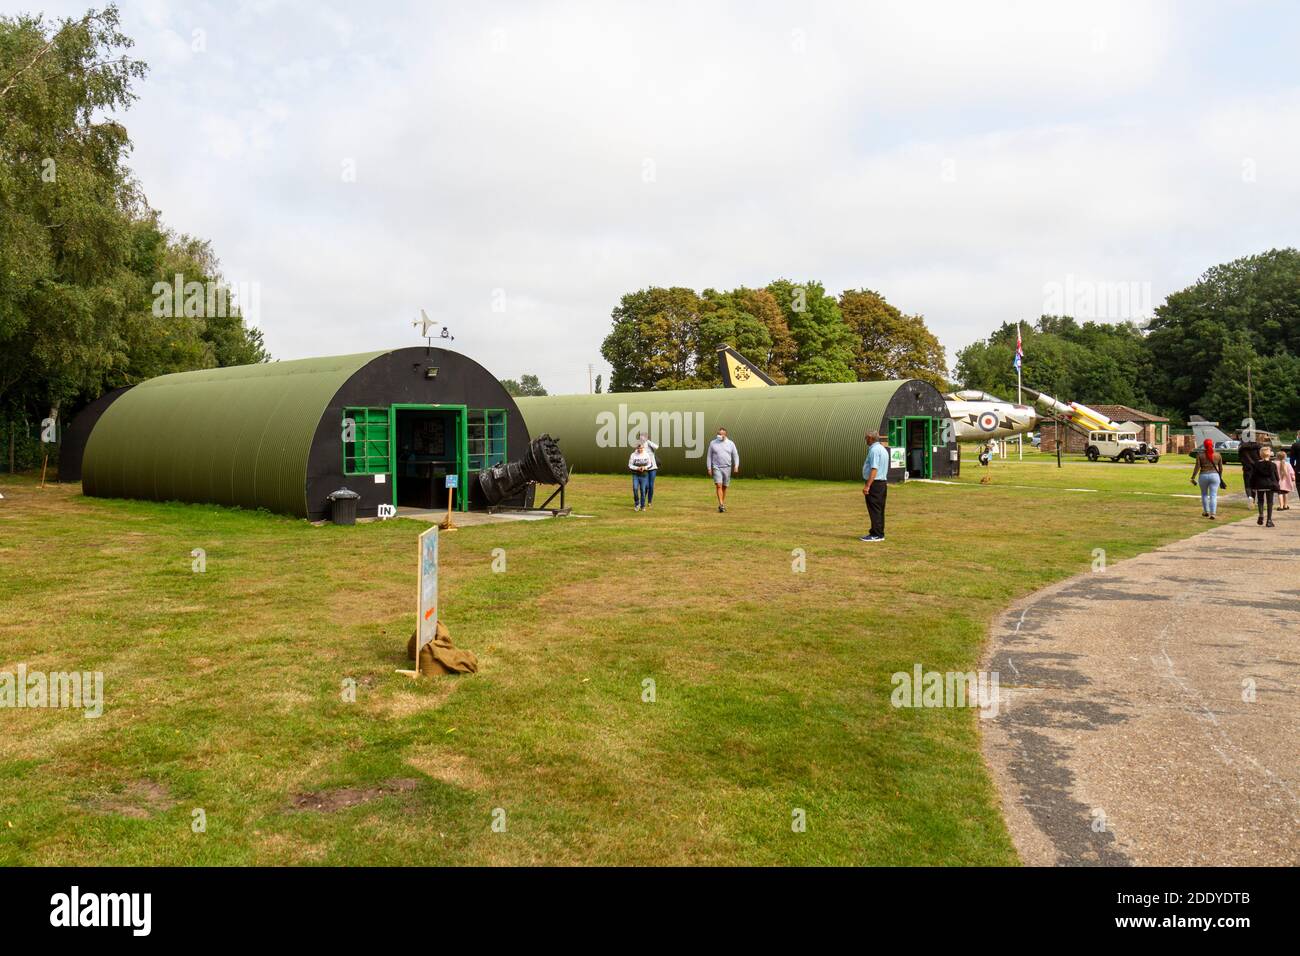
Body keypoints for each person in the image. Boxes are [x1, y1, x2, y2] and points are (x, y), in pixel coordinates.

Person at [860, 430, 890, 542]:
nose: (865, 440)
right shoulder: (882, 449)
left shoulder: (874, 450)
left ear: (871, 438)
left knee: (874, 509)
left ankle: (876, 534)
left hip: (875, 483)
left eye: (866, 438)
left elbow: (874, 469)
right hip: (882, 483)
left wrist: (867, 485)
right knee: (879, 509)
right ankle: (878, 532)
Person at [1190, 437, 1225, 519]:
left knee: (1204, 494)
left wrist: (1193, 477)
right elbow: (1221, 468)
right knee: (1213, 495)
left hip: (1203, 475)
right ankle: (1213, 513)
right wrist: (1220, 477)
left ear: (1204, 446)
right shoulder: (1217, 454)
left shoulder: (1200, 455)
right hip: (1215, 475)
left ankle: (1206, 511)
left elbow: (1197, 467)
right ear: (1212, 445)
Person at [705, 427, 739, 512]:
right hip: (716, 467)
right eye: (718, 434)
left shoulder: (730, 444)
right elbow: (709, 456)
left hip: (727, 467)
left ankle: (721, 505)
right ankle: (721, 504)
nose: (719, 435)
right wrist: (709, 468)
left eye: (721, 434)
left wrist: (736, 466)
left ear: (725, 435)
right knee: (718, 485)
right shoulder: (713, 443)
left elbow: (735, 455)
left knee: (724, 486)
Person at [1252, 445, 1279, 527]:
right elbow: (1276, 476)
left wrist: (1253, 486)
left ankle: (1261, 514)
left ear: (1260, 454)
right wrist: (1276, 483)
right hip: (1270, 485)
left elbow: (1253, 476)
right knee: (1270, 502)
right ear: (1269, 454)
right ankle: (1269, 520)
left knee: (1260, 501)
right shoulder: (1273, 465)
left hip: (1260, 484)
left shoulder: (1256, 464)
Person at [635, 431, 659, 508]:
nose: (642, 437)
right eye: (641, 436)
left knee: (651, 486)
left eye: (644, 436)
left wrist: (648, 441)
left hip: (653, 467)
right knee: (646, 486)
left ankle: (649, 502)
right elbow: (636, 454)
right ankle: (643, 501)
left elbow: (657, 447)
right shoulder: (639, 445)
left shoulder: (649, 443)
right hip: (644, 468)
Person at [628, 441, 653, 512]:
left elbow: (650, 464)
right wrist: (637, 468)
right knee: (635, 489)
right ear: (636, 448)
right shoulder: (633, 455)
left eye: (641, 448)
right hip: (635, 475)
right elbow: (630, 465)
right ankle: (637, 504)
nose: (640, 450)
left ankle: (643, 506)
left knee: (643, 490)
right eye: (638, 448)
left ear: (643, 448)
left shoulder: (646, 454)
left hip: (644, 475)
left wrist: (644, 467)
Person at [1238, 436, 1262, 505]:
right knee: (1254, 485)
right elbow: (1260, 457)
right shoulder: (1258, 446)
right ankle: (1253, 500)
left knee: (1248, 485)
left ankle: (1250, 498)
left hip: (1247, 467)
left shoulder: (1242, 448)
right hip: (1256, 468)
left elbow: (1240, 458)